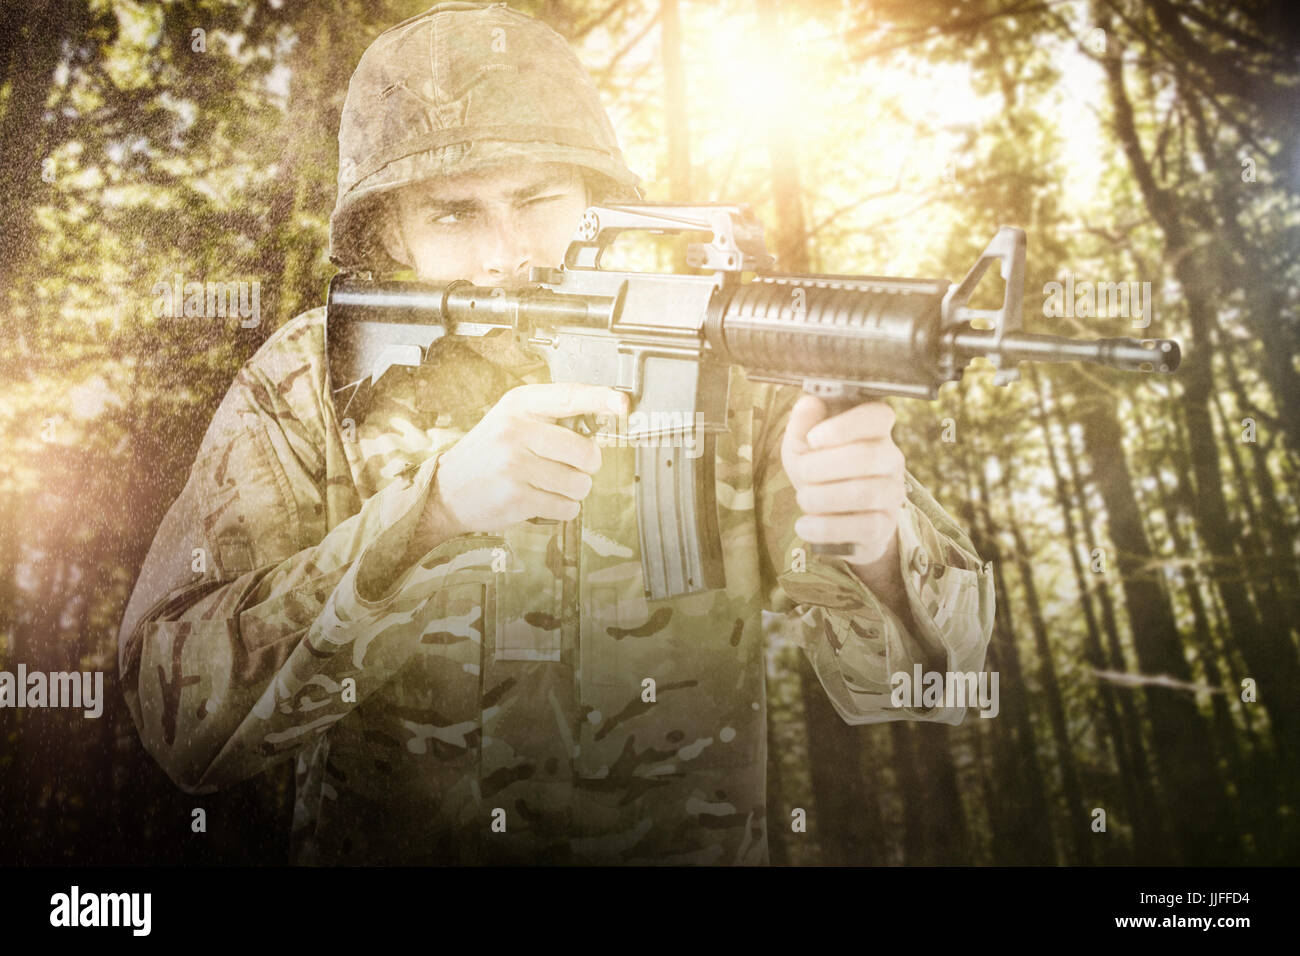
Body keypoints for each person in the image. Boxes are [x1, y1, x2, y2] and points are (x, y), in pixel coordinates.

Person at [117, 0, 995, 865]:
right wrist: (431, 515)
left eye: (538, 199)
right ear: (390, 235)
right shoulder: (310, 378)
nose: (511, 255)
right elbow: (178, 718)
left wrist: (877, 547)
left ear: (596, 199)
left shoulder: (724, 350)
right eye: (455, 215)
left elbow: (931, 686)